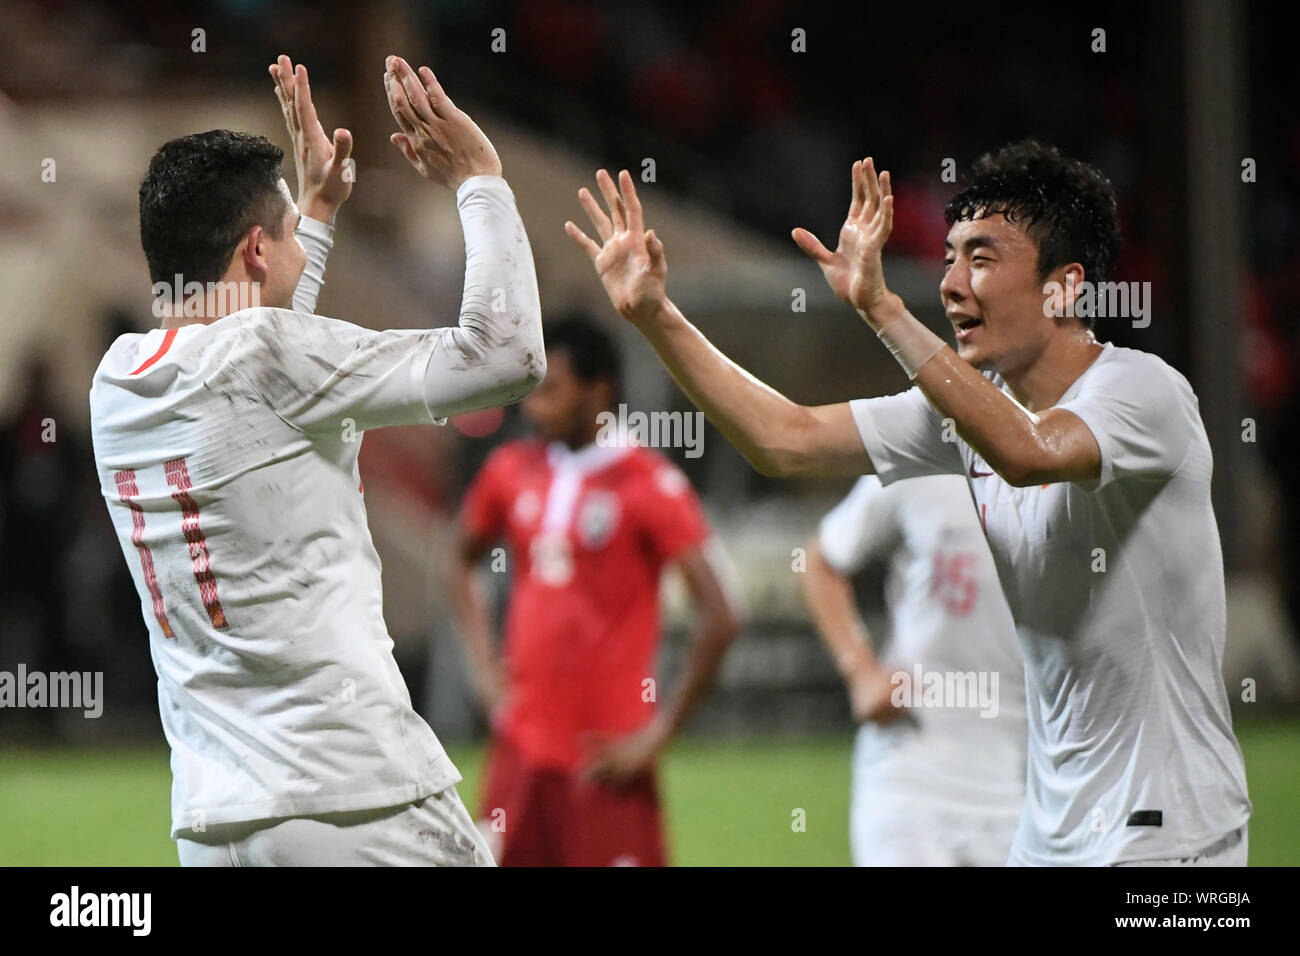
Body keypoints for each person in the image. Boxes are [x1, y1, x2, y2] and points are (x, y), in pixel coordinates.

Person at [564, 140, 1251, 866]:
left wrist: (882, 309)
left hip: (1170, 838)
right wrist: (655, 315)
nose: (952, 283)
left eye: (981, 259)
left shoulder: (1144, 393)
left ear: (1064, 287)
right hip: (1047, 839)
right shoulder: (965, 416)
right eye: (950, 257)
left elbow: (1030, 453)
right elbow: (784, 437)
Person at [89, 54, 543, 866]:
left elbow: (250, 371)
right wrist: (481, 180)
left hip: (216, 824)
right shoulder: (267, 354)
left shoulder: (116, 383)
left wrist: (318, 211)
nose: (305, 243)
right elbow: (506, 359)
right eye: (291, 232)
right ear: (258, 250)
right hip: (358, 799)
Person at [451, 315, 742, 866]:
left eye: (552, 392)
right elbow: (457, 559)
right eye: (532, 392)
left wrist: (658, 735)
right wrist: (483, 666)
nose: (534, 407)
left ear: (599, 389)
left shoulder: (648, 484)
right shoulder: (511, 470)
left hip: (605, 762)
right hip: (519, 754)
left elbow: (723, 615)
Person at [802, 474, 1025, 866]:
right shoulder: (921, 451)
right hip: (911, 773)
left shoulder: (1078, 463)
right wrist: (860, 671)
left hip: (1027, 788)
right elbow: (821, 560)